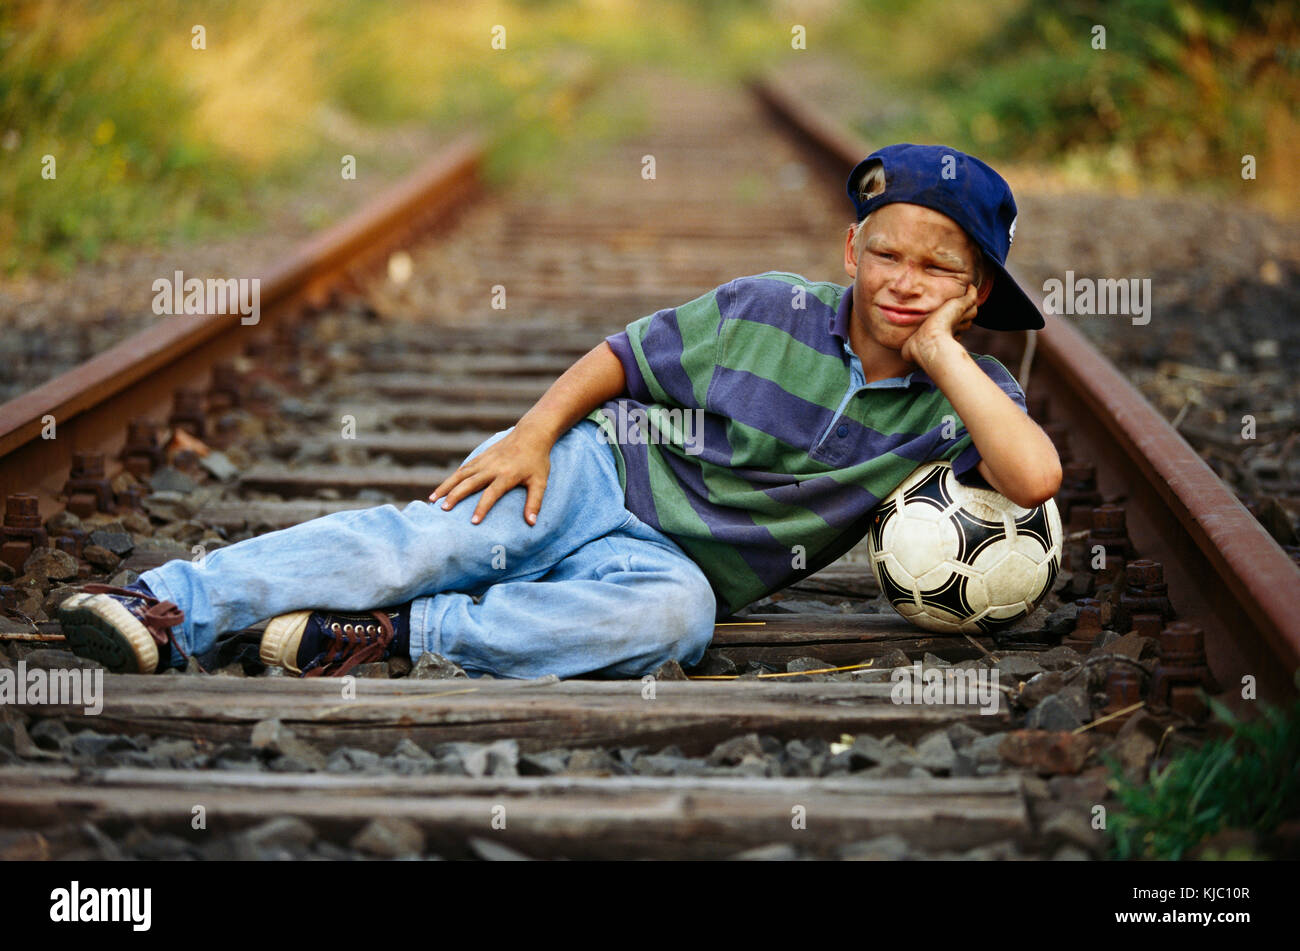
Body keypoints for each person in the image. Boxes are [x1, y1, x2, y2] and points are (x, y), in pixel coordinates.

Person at [58, 143, 1062, 680]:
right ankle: (169, 604)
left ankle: (388, 640)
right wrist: (536, 435)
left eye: (940, 270)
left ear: (978, 294)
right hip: (592, 474)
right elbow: (619, 359)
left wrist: (939, 352)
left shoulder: (955, 400)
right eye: (888, 254)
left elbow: (1031, 478)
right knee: (422, 542)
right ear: (851, 252)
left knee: (678, 624)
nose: (906, 282)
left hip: (671, 562)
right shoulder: (768, 308)